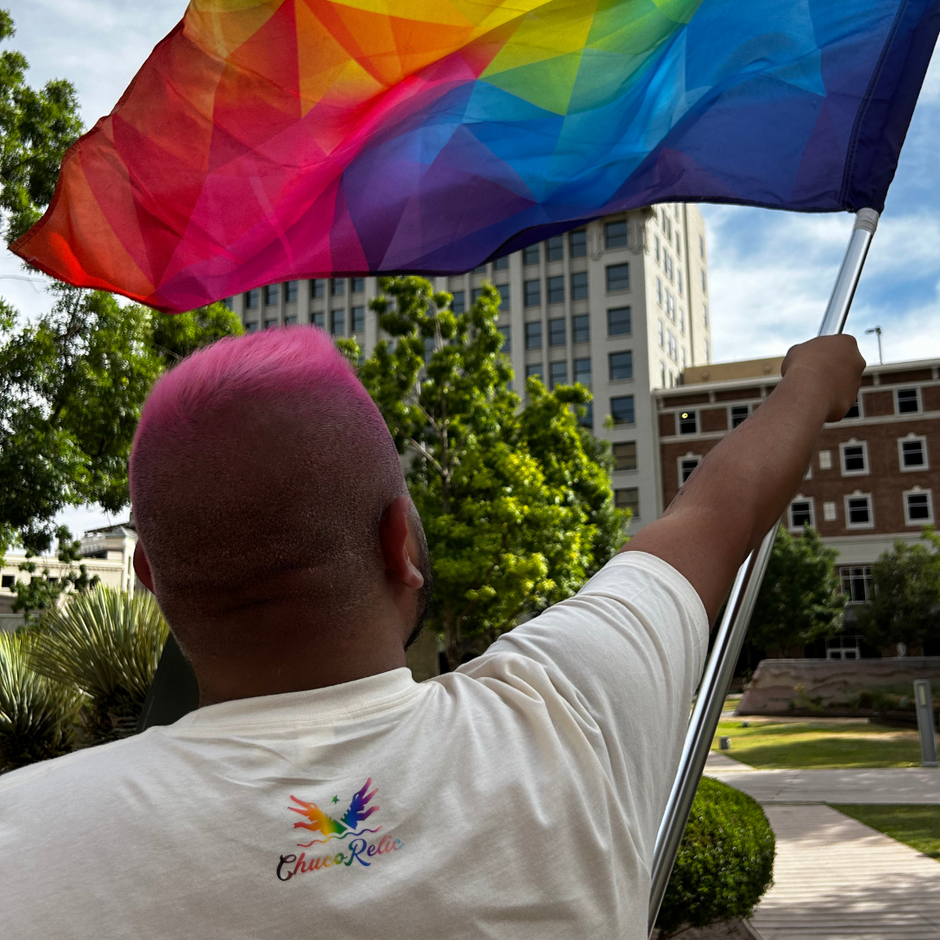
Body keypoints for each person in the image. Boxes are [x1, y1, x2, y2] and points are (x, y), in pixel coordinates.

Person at [0, 325, 864, 939]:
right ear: (399, 544)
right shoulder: (567, 714)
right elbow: (714, 513)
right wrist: (810, 384)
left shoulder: (24, 840)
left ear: (150, 580)